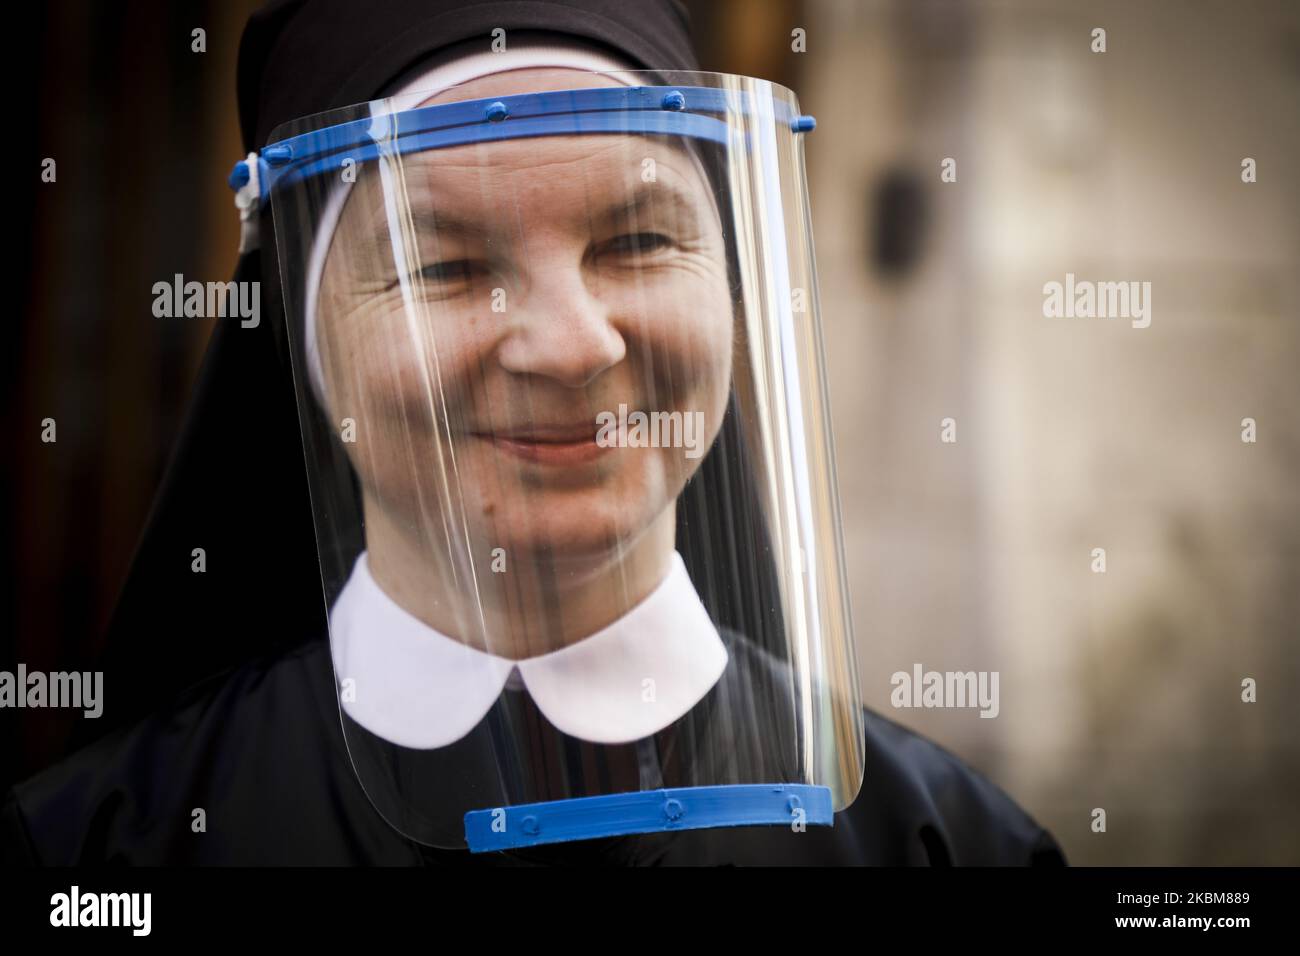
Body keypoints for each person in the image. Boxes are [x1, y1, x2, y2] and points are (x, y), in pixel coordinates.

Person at [1, 0, 1065, 866]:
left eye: (641, 239)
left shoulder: (947, 848)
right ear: (299, 335)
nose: (569, 346)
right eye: (447, 267)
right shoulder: (90, 856)